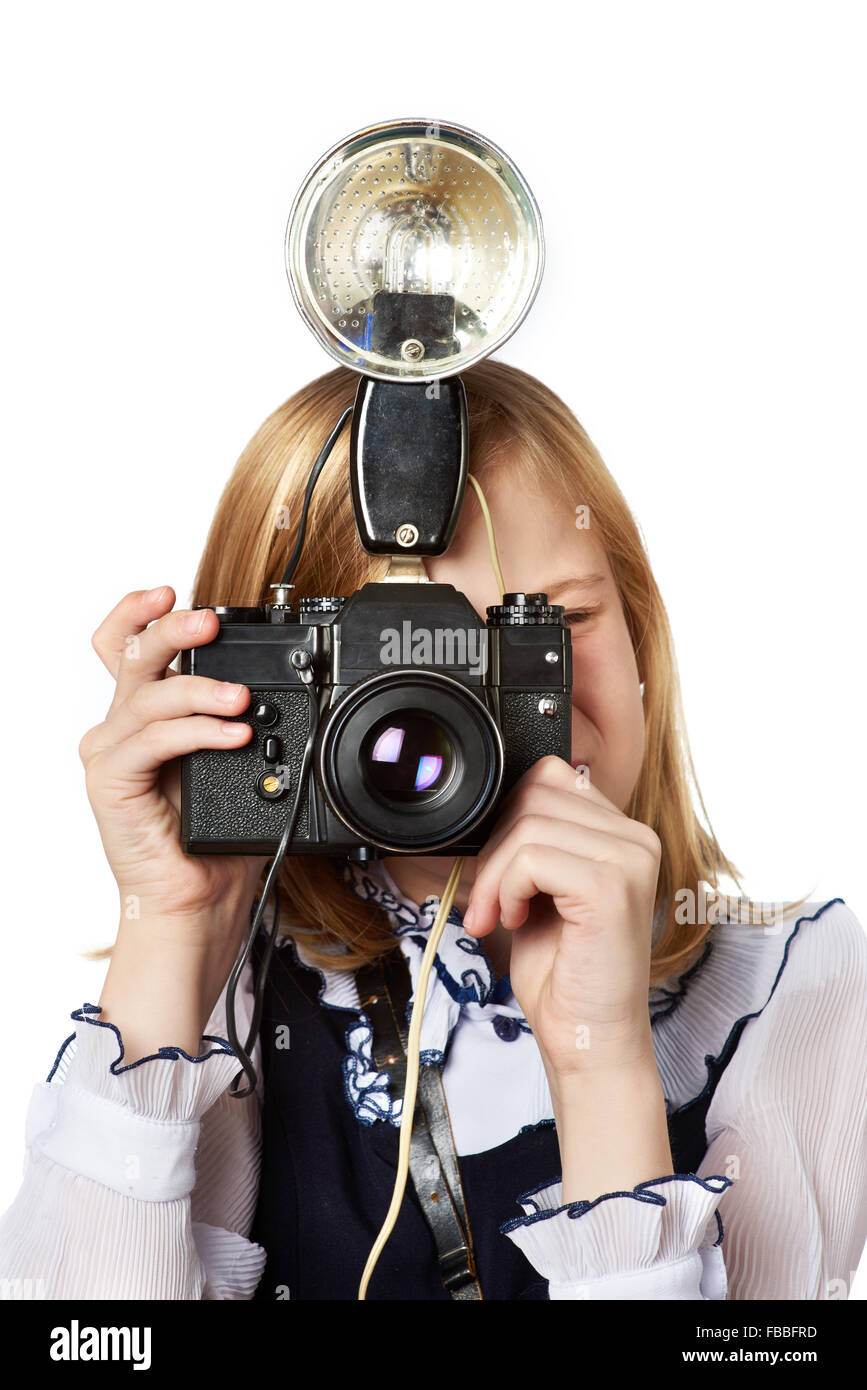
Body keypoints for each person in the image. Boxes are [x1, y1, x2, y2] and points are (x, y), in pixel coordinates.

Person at [0, 360, 864, 1300]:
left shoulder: (801, 999)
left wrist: (599, 1062)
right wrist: (170, 933)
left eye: (547, 626)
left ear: (641, 634)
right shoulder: (206, 1021)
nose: (473, 709)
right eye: (396, 665)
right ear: (260, 691)